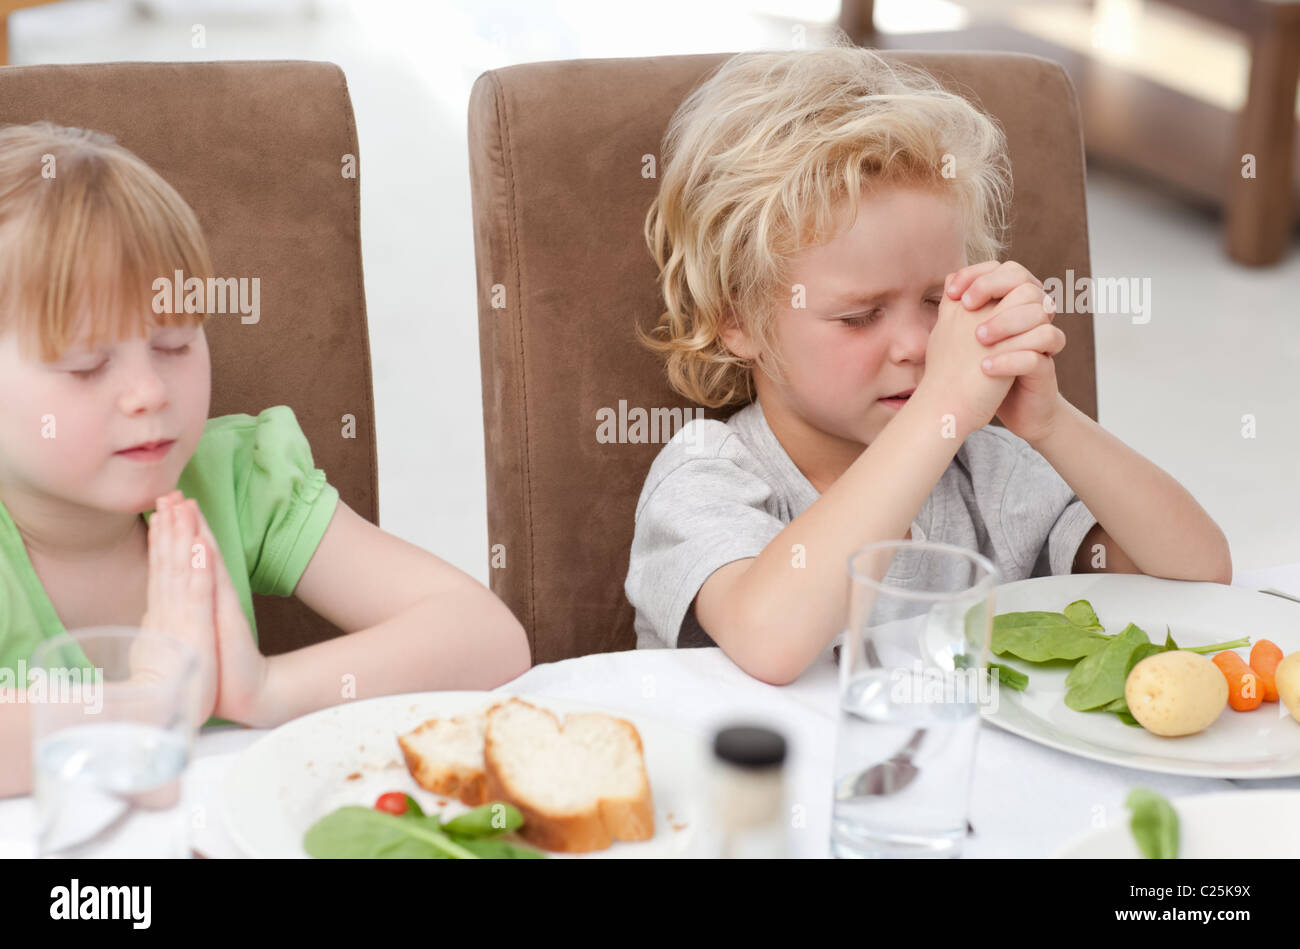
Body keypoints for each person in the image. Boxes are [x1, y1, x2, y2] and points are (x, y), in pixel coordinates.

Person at [624, 45, 1231, 685]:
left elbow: (1197, 575)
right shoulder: (706, 477)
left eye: (938, 302)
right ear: (735, 320)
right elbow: (774, 640)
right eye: (859, 316)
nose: (917, 346)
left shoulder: (986, 468)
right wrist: (939, 410)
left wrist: (1054, 425)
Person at [0, 122, 530, 797]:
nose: (149, 392)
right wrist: (148, 704)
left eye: (175, 344)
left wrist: (266, 687)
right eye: (86, 365)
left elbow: (488, 635)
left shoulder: (238, 476)